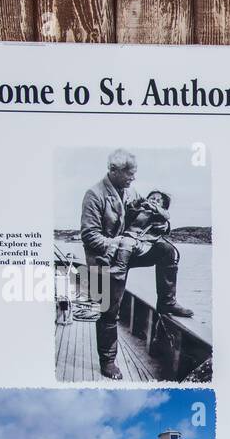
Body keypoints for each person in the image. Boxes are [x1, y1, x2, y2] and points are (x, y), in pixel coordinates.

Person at [80, 150, 192, 379]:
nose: (133, 179)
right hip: (104, 259)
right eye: (129, 174)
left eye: (134, 174)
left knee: (167, 251)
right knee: (109, 312)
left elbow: (144, 217)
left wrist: (162, 226)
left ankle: (167, 302)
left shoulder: (130, 190)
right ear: (114, 171)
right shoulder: (94, 195)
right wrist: (117, 243)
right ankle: (108, 361)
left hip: (128, 251)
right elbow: (89, 236)